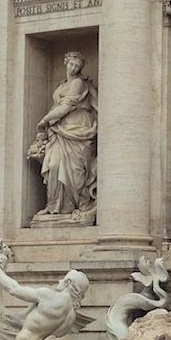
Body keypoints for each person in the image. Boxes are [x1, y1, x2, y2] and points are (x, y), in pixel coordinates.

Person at [28, 52, 98, 218]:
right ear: (66, 63)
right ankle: (54, 206)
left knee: (76, 169)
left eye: (77, 66)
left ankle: (77, 204)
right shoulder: (61, 86)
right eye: (71, 64)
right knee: (54, 165)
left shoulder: (78, 83)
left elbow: (65, 108)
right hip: (60, 128)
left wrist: (44, 120)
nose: (73, 68)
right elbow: (57, 108)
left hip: (78, 126)